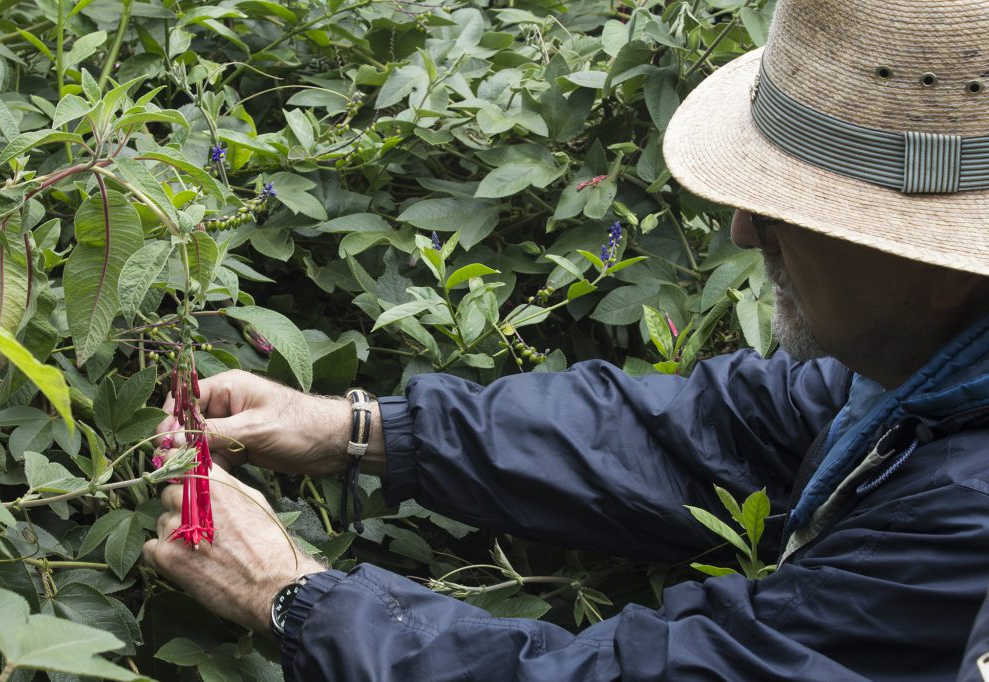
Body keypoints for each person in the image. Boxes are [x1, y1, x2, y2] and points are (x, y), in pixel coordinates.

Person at [142, 0, 989, 679]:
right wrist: (357, 430)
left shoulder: (969, 520)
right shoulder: (928, 366)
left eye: (791, 207)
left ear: (942, 263)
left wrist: (292, 597)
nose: (740, 229)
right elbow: (704, 433)